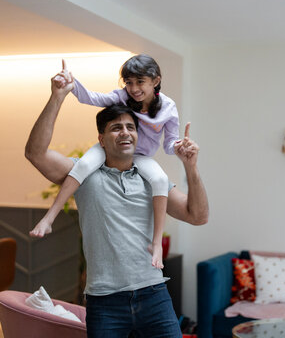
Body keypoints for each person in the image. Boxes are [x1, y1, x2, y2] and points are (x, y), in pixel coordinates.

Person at [25, 73, 208, 337]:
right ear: (101, 139)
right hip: (105, 302)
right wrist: (57, 97)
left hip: (154, 295)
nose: (125, 133)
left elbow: (198, 216)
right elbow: (35, 153)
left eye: (130, 127)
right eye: (116, 127)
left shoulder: (153, 179)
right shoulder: (83, 175)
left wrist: (191, 167)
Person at [30, 55, 178, 269]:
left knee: (160, 180)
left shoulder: (168, 107)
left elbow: (170, 144)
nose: (133, 88)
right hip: (111, 149)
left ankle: (156, 244)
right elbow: (91, 98)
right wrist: (71, 83)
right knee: (82, 166)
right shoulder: (122, 96)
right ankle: (49, 218)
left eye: (139, 82)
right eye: (128, 82)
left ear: (155, 81)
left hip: (142, 155)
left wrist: (179, 147)